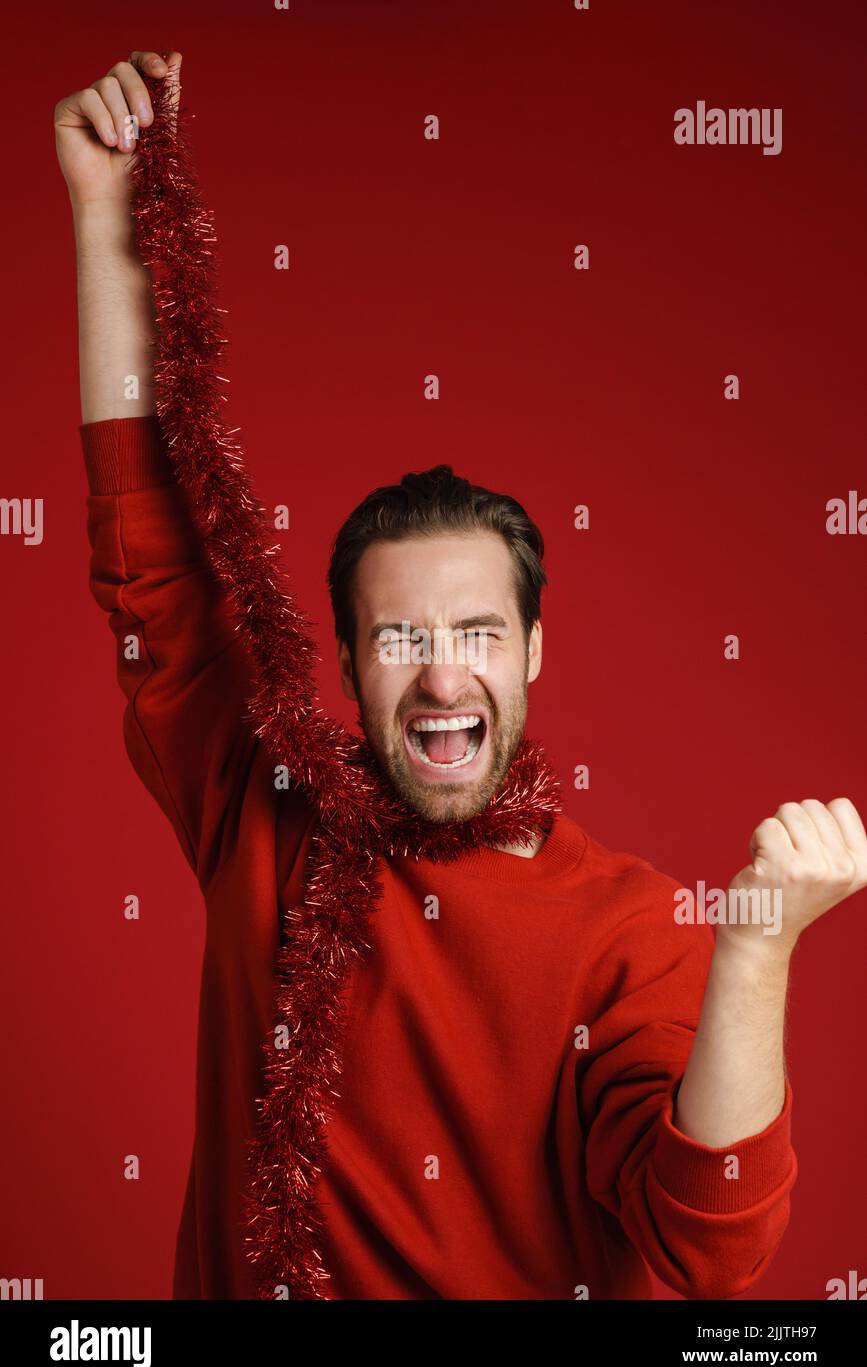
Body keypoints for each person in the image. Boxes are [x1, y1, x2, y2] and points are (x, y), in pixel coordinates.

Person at [55, 48, 867, 1301]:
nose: (442, 677)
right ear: (343, 661)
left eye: (479, 634)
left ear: (534, 652)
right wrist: (108, 217)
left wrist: (755, 952)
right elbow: (151, 558)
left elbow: (710, 1244)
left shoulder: (629, 928)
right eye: (399, 639)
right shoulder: (259, 813)